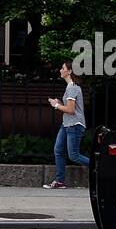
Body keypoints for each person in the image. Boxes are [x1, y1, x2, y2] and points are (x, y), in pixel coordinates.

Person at [43, 61, 89, 189]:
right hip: (67, 124)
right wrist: (59, 102)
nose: (60, 70)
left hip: (74, 125)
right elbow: (69, 107)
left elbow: (71, 110)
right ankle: (60, 181)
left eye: (62, 68)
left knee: (74, 155)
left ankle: (99, 168)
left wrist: (56, 105)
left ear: (69, 71)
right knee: (58, 151)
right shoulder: (71, 87)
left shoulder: (72, 87)